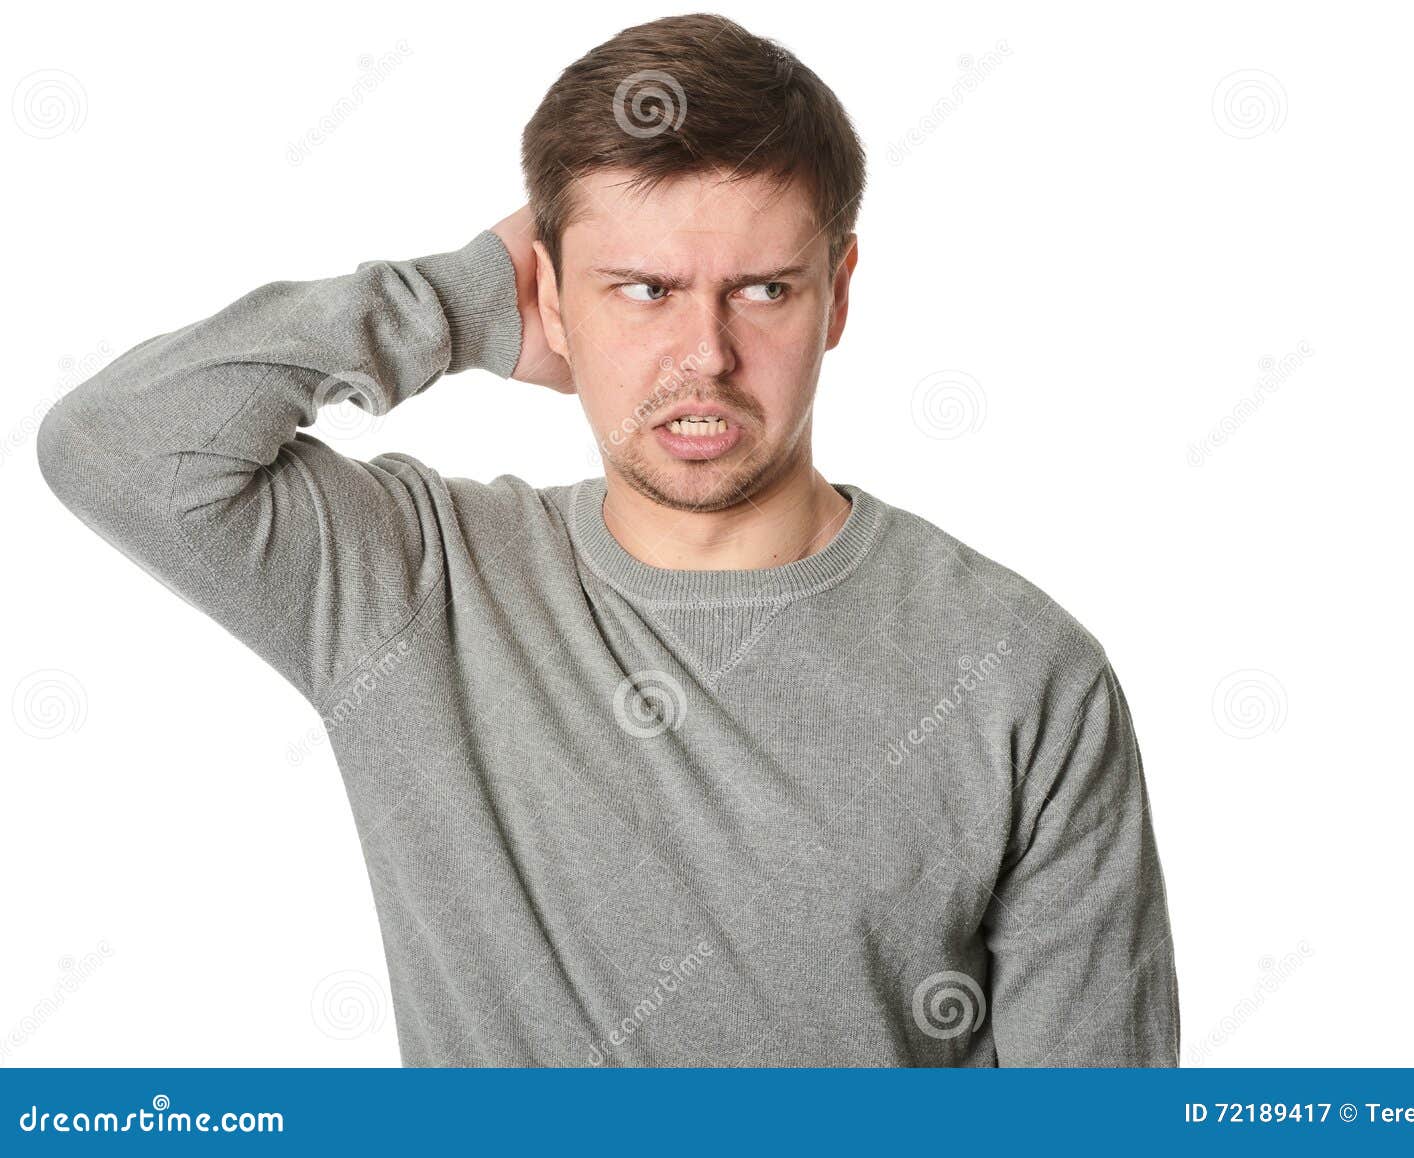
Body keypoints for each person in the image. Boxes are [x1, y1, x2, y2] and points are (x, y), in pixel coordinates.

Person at [35, 12, 1179, 1066]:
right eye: (642, 289)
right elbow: (120, 450)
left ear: (838, 294)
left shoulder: (1019, 669)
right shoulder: (414, 586)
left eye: (765, 290)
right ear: (554, 298)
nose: (705, 355)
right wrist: (457, 301)